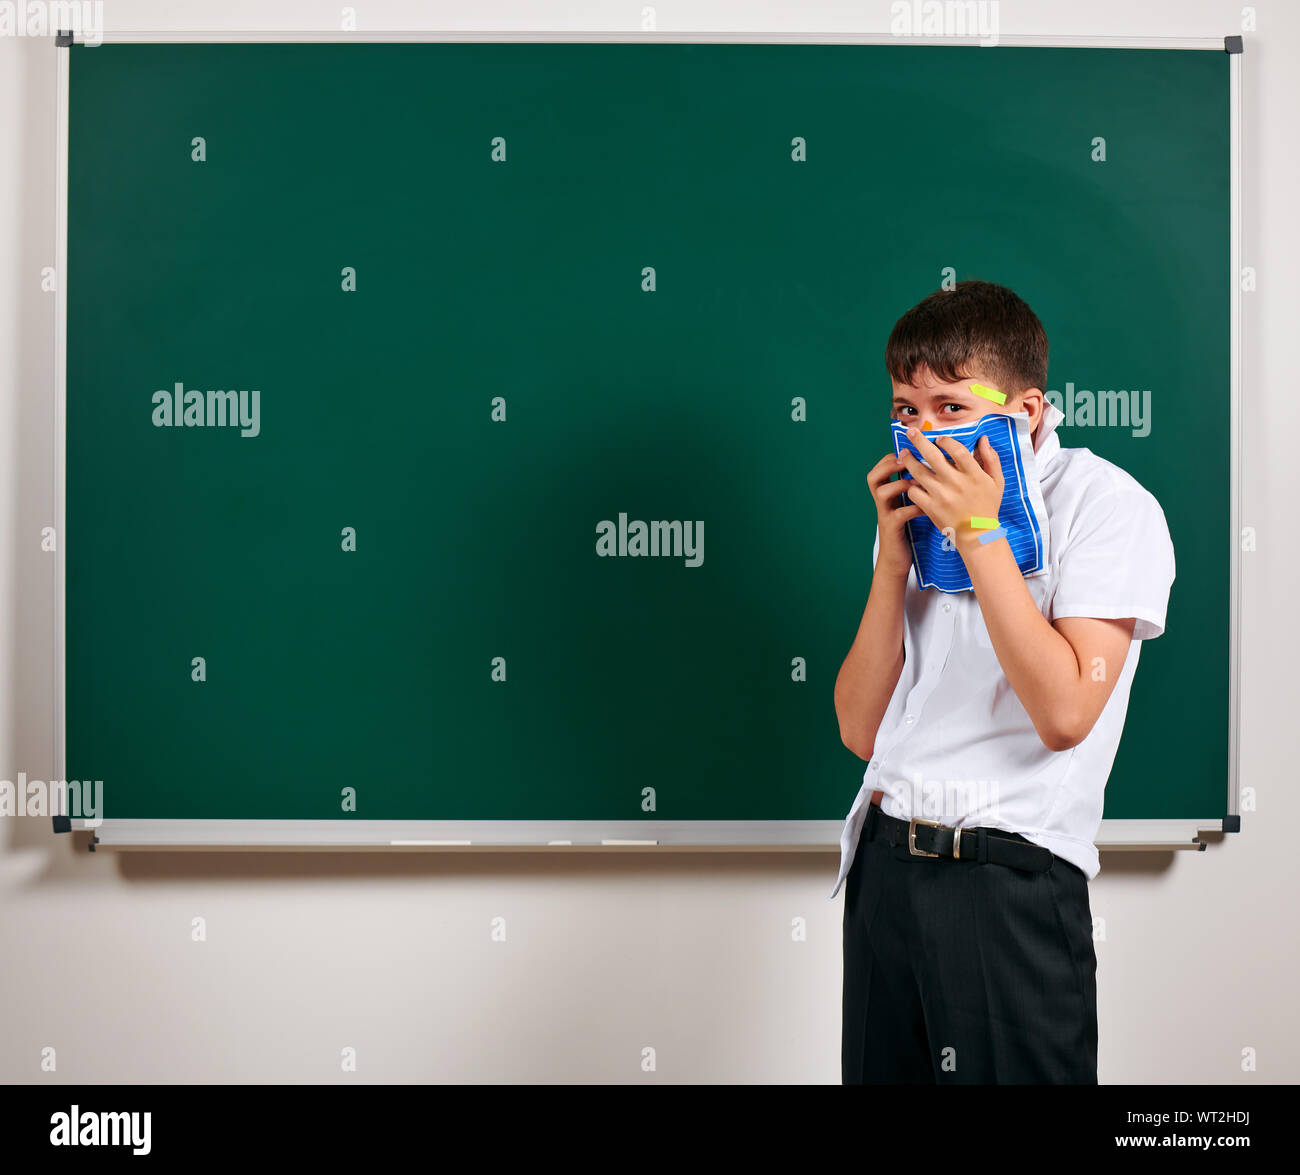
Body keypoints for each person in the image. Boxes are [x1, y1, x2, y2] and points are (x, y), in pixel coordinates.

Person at [832, 280, 1176, 1084]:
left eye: (951, 406)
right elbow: (858, 729)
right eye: (906, 408)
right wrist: (892, 559)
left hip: (1006, 884)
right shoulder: (915, 520)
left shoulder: (1108, 506)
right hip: (885, 868)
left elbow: (1063, 710)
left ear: (1024, 410)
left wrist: (982, 534)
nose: (923, 431)